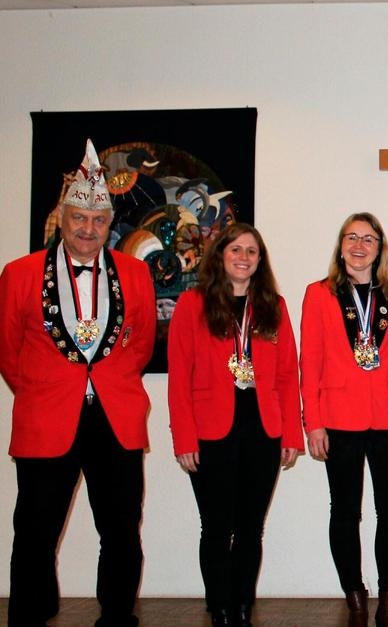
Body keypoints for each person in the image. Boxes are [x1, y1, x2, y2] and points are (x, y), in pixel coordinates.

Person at [0, 139, 156, 627]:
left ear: (109, 225)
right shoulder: (20, 274)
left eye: (98, 221)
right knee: (35, 530)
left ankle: (116, 615)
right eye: (79, 220)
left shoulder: (134, 273)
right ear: (62, 219)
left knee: (122, 529)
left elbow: (142, 345)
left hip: (116, 419)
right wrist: (47, 389)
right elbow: (8, 353)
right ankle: (30, 614)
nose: (89, 230)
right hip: (47, 420)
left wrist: (108, 383)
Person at [167, 223, 304, 627]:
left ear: (260, 261)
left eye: (252, 252)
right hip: (211, 433)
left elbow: (286, 375)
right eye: (236, 250)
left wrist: (292, 434)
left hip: (263, 430)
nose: (244, 258)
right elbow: (179, 377)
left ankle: (243, 603)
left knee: (250, 528)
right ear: (220, 255)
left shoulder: (272, 306)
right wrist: (183, 438)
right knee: (216, 527)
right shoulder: (193, 304)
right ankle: (219, 606)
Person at [300, 212, 388, 627]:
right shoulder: (318, 295)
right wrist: (312, 422)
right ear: (340, 246)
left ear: (379, 248)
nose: (359, 245)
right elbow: (309, 363)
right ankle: (354, 594)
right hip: (338, 419)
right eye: (351, 238)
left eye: (368, 239)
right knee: (344, 511)